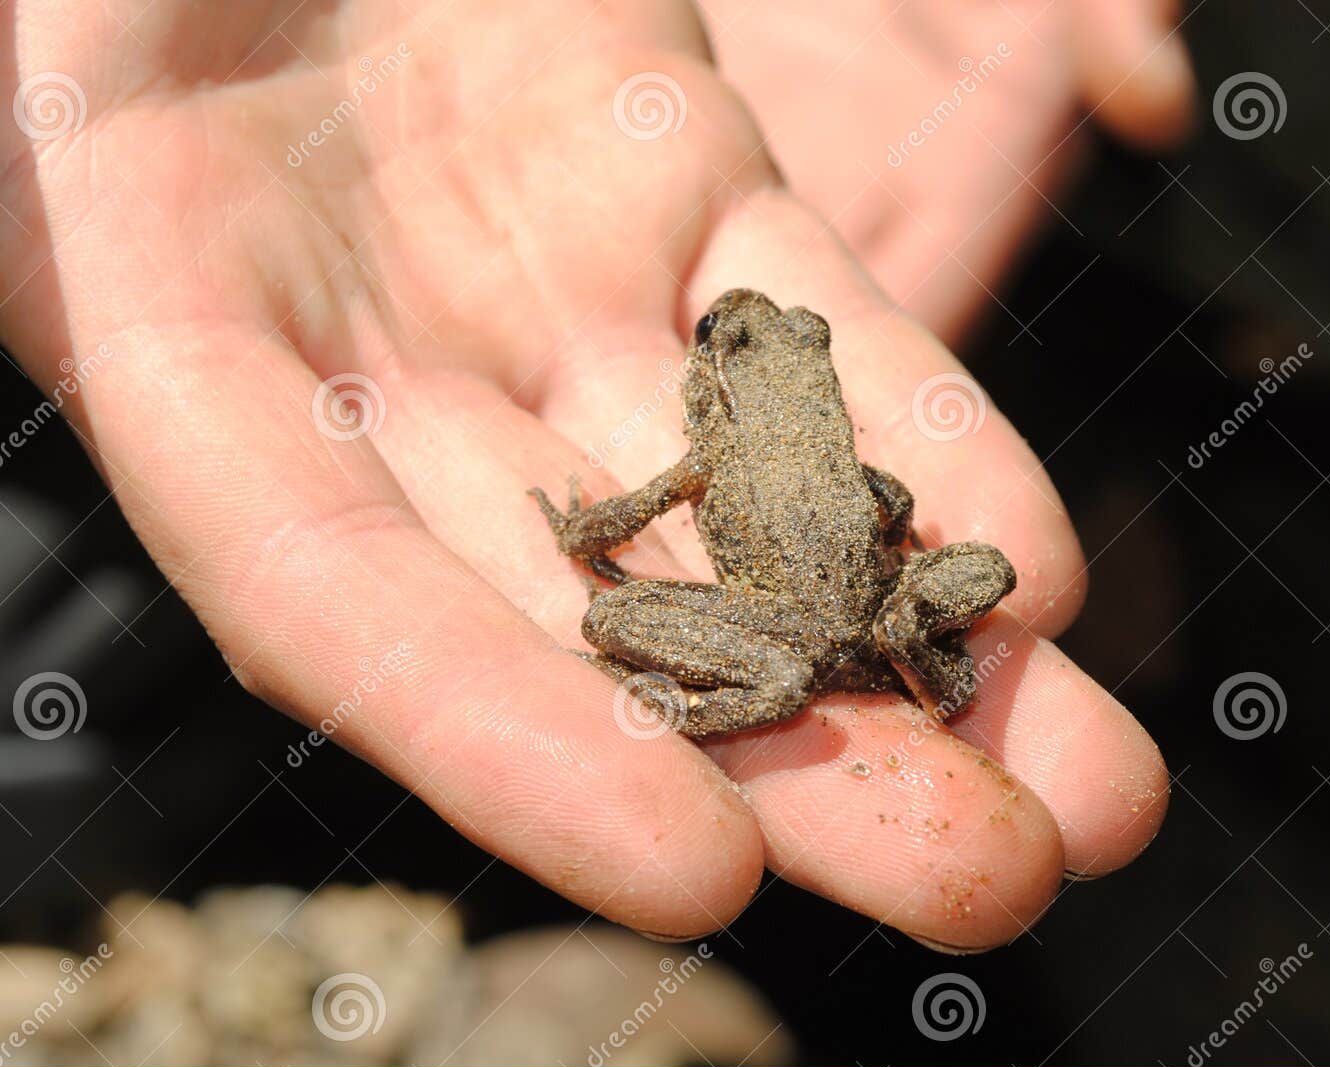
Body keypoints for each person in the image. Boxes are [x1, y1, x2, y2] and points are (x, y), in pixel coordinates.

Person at [0, 0, 1194, 952]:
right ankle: (902, 664)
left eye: (763, 341)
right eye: (734, 338)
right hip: (868, 605)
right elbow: (889, 504)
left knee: (610, 615)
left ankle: (707, 705)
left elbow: (607, 531)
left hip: (791, 631)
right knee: (960, 571)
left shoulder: (709, 450)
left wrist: (578, 530)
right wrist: (883, 558)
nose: (737, 335)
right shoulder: (784, 445)